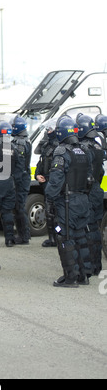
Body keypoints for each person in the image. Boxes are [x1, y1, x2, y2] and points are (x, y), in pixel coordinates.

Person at [45, 115, 92, 288]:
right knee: (81, 237)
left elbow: (56, 182)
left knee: (64, 236)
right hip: (82, 200)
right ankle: (83, 275)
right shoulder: (84, 150)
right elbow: (90, 177)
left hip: (67, 202)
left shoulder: (62, 152)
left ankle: (70, 276)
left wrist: (49, 198)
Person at [76, 114, 104, 275]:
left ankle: (87, 266)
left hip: (87, 192)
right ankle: (96, 265)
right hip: (97, 190)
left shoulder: (84, 148)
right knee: (95, 230)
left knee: (86, 230)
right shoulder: (98, 147)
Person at [34, 119, 59, 247]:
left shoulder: (58, 146)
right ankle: (52, 238)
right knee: (49, 213)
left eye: (50, 130)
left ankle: (58, 237)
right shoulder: (47, 145)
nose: (48, 132)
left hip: (54, 184)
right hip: (46, 183)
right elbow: (41, 162)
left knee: (56, 213)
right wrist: (37, 174)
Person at [11, 115, 32, 245]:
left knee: (20, 207)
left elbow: (19, 165)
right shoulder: (25, 140)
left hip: (21, 179)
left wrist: (15, 181)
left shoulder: (20, 143)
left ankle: (24, 235)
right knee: (19, 207)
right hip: (23, 177)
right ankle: (22, 234)